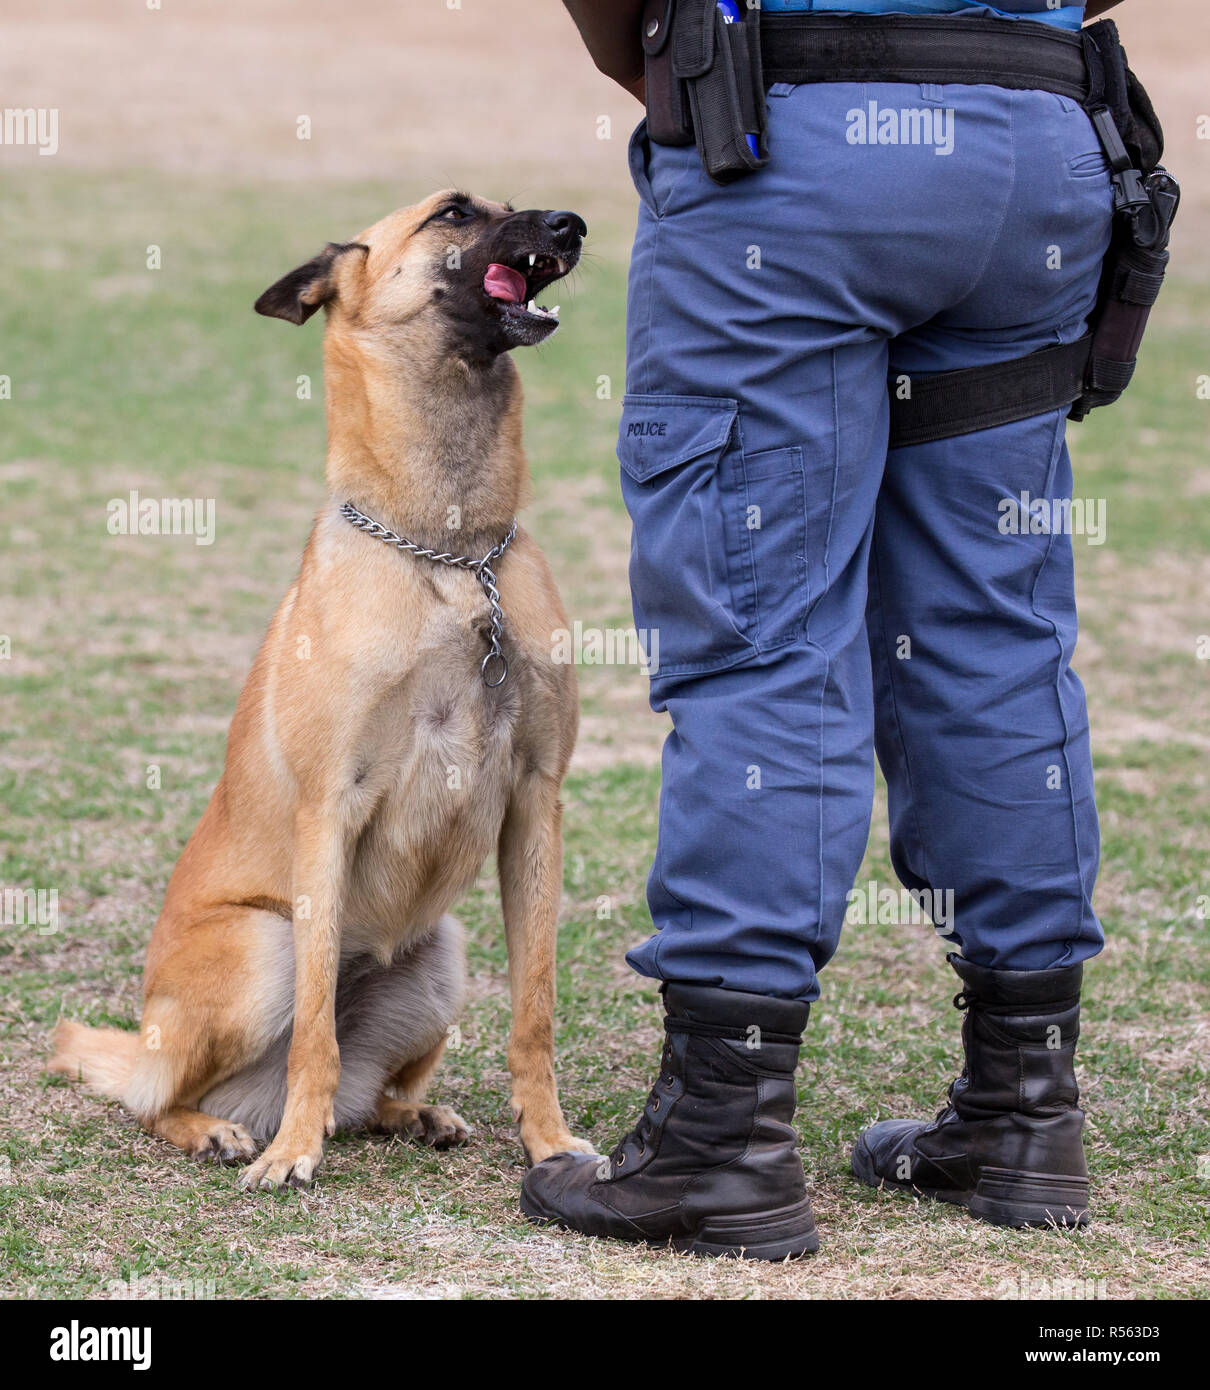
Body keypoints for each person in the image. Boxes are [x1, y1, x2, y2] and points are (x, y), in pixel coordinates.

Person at [521, 0, 1130, 1260]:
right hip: (1031, 147)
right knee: (992, 632)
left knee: (759, 636)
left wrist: (667, 63)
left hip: (792, 141)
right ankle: (1025, 1111)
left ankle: (722, 1142)